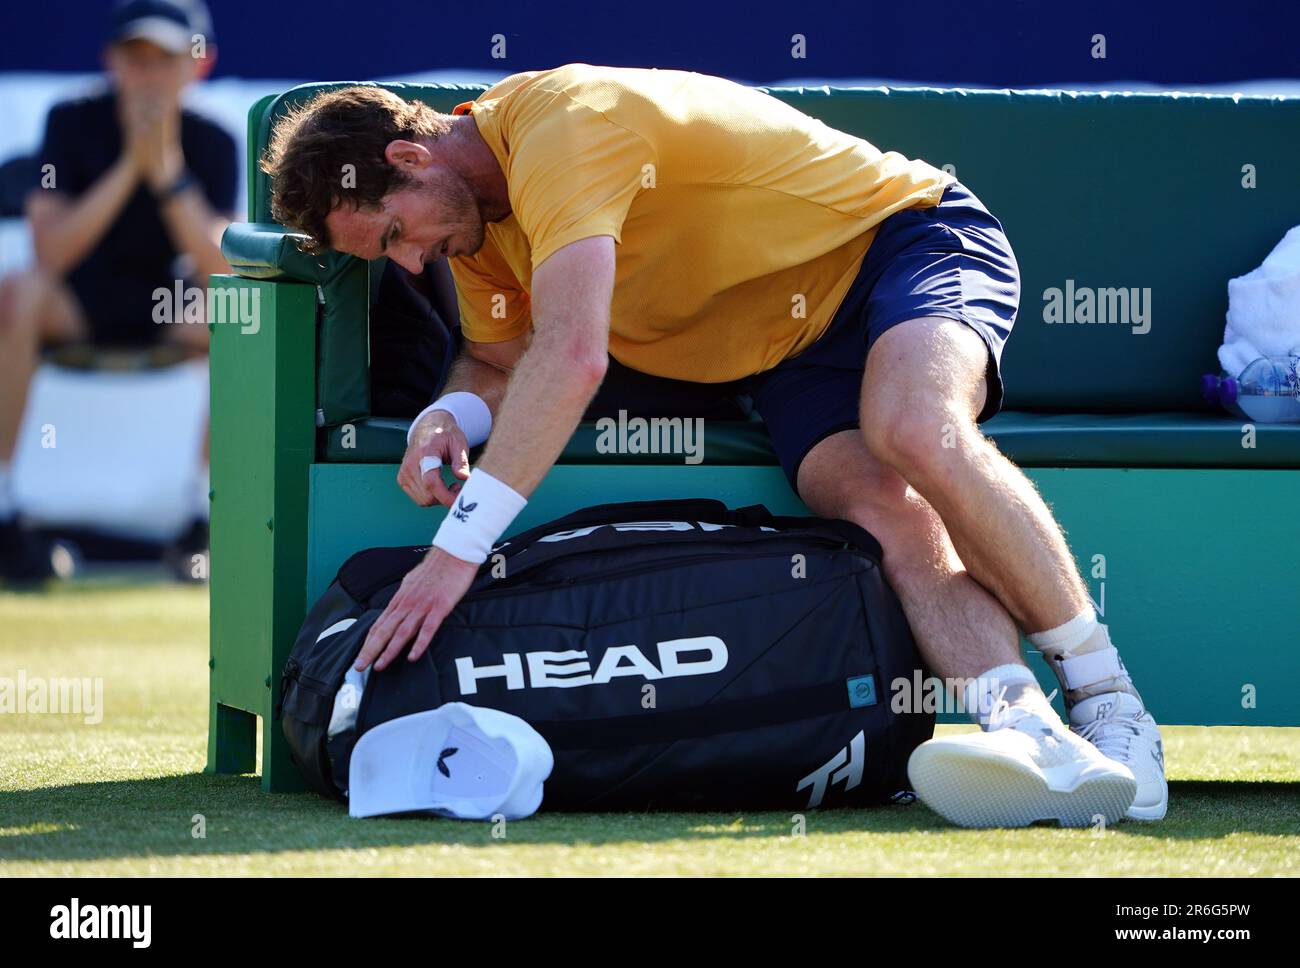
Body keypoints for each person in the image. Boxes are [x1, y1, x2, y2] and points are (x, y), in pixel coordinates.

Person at [260, 64, 1166, 827]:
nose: (412, 264)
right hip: (784, 356)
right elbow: (501, 365)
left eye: (395, 236)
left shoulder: (566, 125)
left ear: (411, 160)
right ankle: (1031, 736)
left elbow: (572, 355)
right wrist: (446, 418)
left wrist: (455, 552)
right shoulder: (475, 231)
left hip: (901, 243)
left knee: (914, 428)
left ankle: (1112, 705)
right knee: (881, 511)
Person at [0, 0, 234, 581]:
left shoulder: (214, 140)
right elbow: (50, 253)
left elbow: (217, 269)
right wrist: (130, 165)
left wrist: (166, 170)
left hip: (168, 304)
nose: (149, 75)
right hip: (78, 303)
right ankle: (3, 513)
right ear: (111, 61)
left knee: (241, 314)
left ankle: (203, 521)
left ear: (198, 66)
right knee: (17, 294)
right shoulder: (70, 120)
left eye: (166, 60)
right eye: (137, 58)